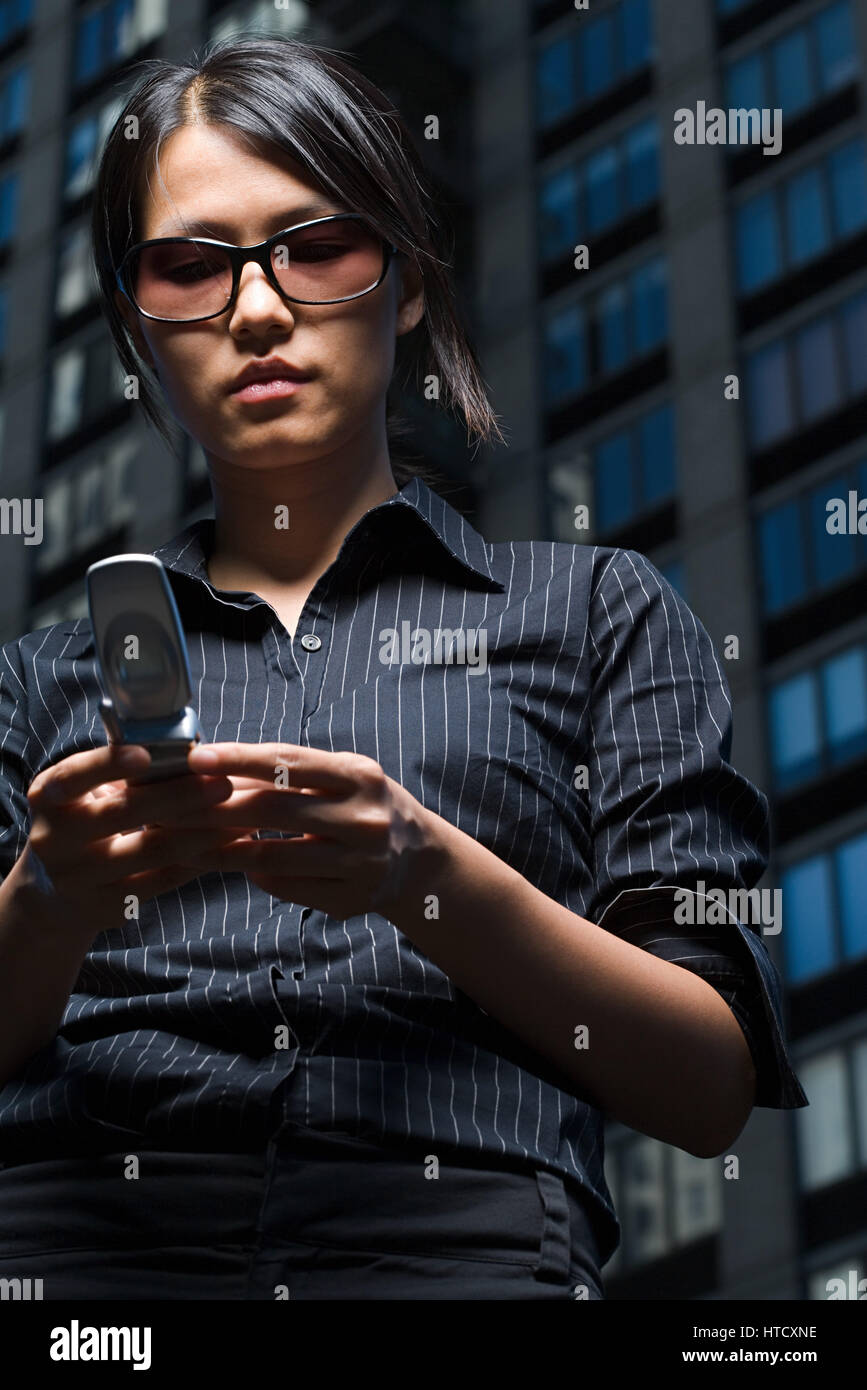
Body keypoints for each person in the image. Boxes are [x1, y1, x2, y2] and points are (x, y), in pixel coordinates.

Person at [0, 34, 807, 1302]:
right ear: (137, 328)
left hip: (463, 1259)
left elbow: (710, 1083)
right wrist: (47, 905)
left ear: (411, 280)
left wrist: (425, 876)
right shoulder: (36, 685)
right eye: (189, 269)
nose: (255, 309)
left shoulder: (595, 613)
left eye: (317, 248)